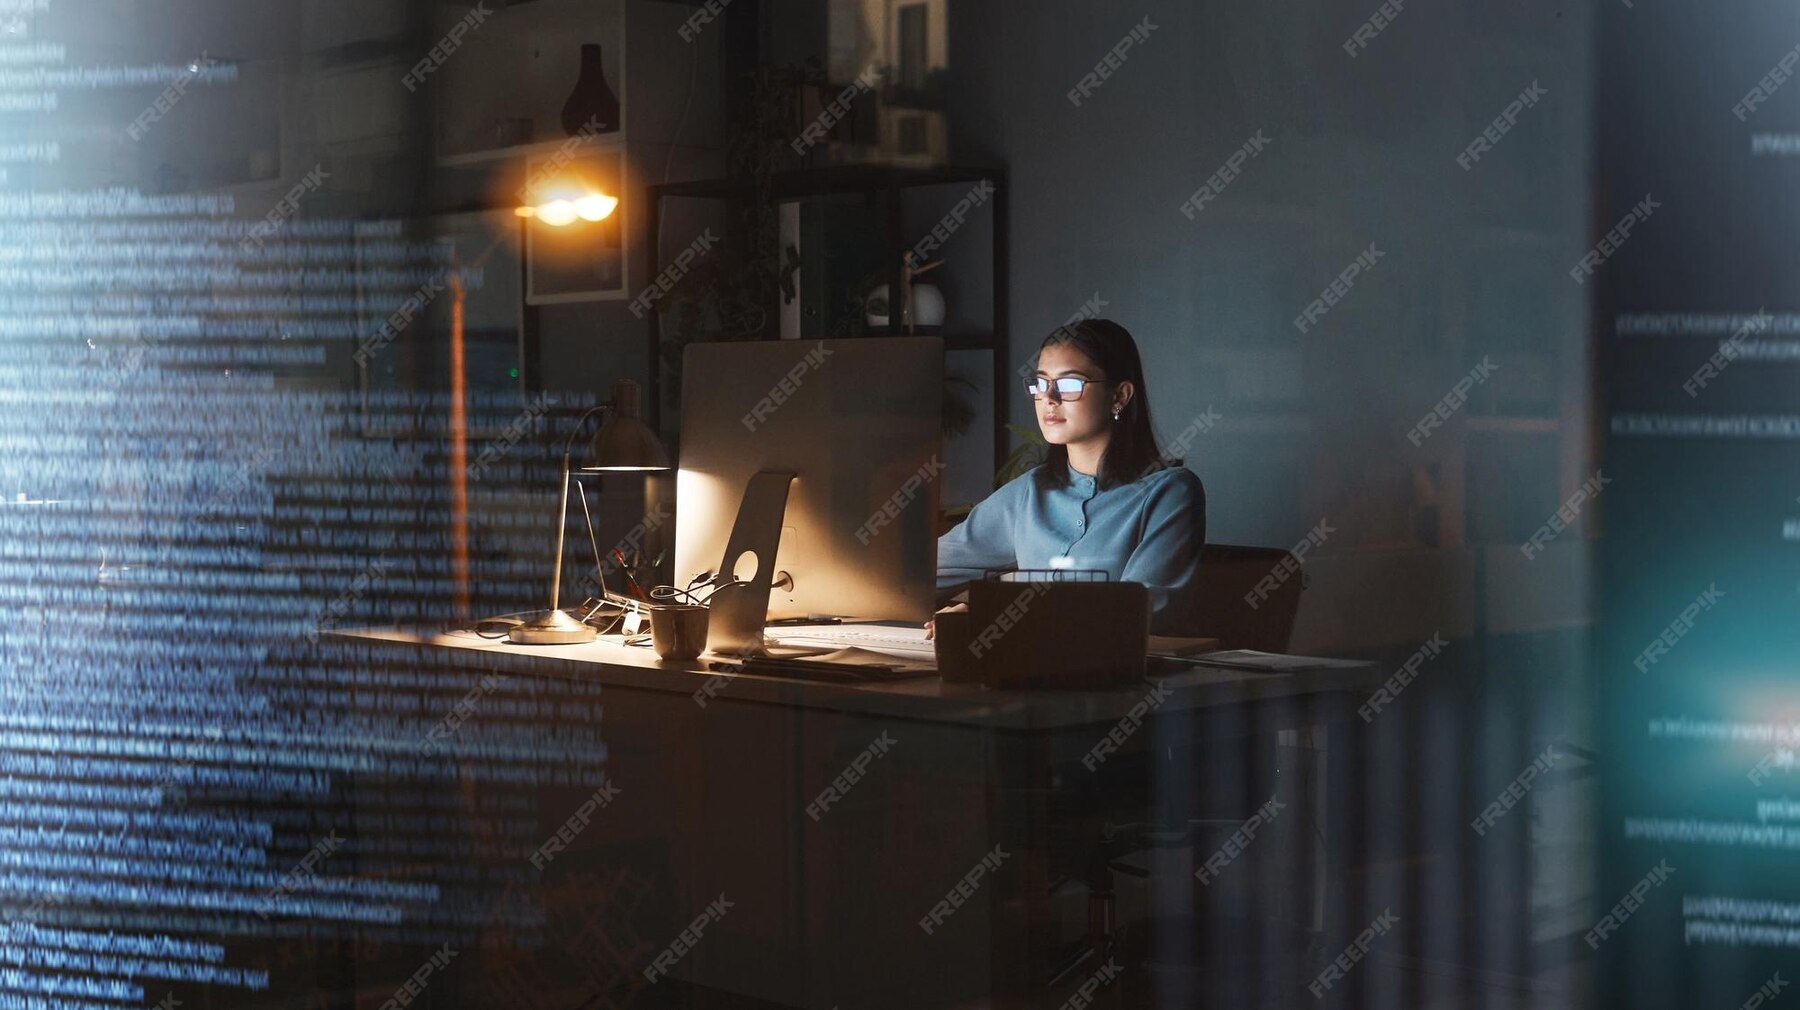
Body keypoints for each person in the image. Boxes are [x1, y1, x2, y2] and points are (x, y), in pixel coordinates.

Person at [929, 318, 1205, 638]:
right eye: (1040, 383)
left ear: (1120, 396)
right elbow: (924, 572)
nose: (1049, 398)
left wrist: (995, 614)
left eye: (1070, 384)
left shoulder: (1169, 492)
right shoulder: (1029, 493)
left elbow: (1141, 609)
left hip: (1129, 677)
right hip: (1032, 673)